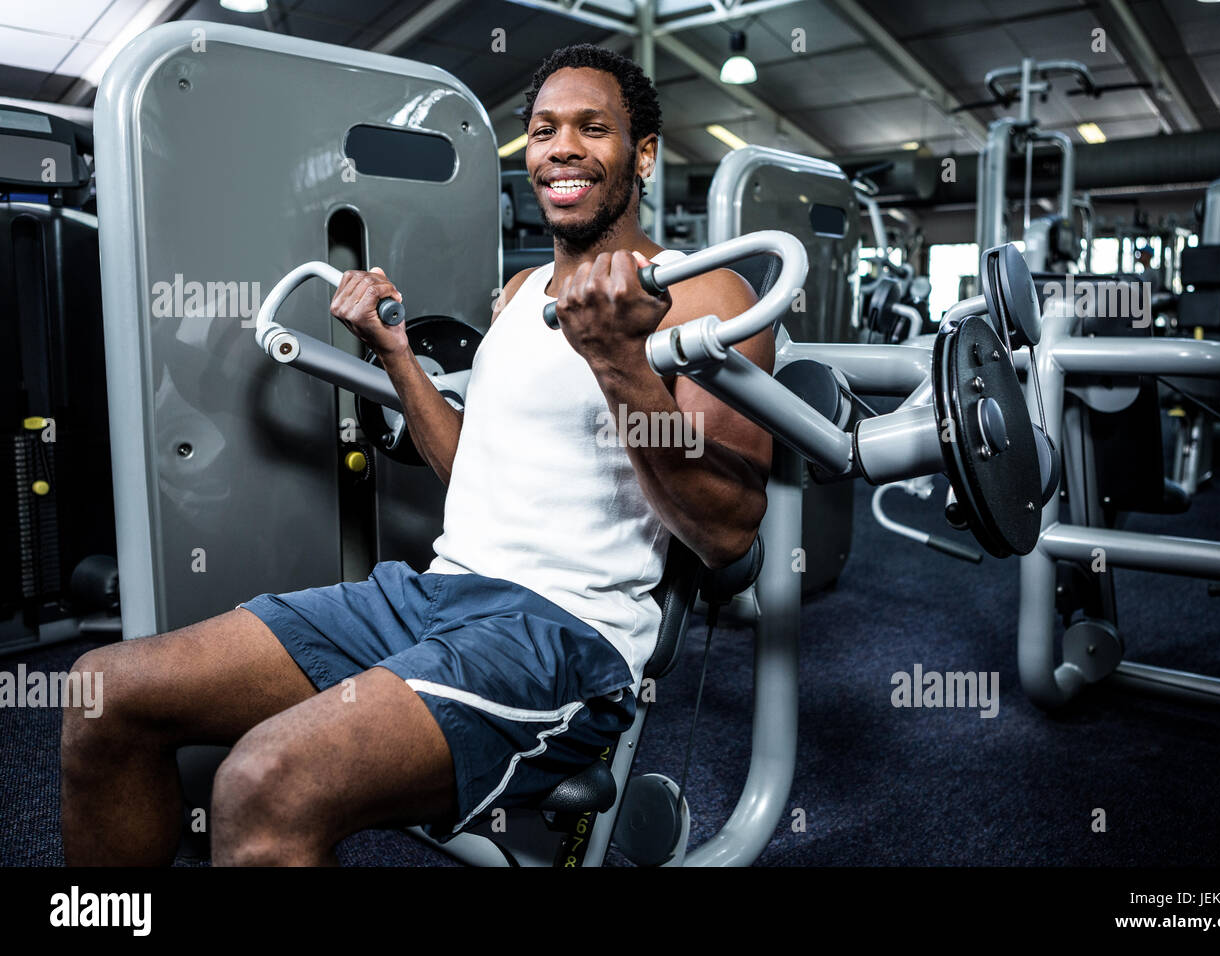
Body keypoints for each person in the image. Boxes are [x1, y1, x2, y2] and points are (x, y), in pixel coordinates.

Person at [60, 43, 773, 866]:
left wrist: (617, 363)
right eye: (543, 130)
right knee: (103, 693)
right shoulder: (517, 296)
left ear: (642, 153)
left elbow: (727, 533)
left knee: (264, 782)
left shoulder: (707, 294)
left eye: (593, 127)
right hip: (432, 597)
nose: (562, 148)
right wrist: (396, 355)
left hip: (564, 637)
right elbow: (471, 469)